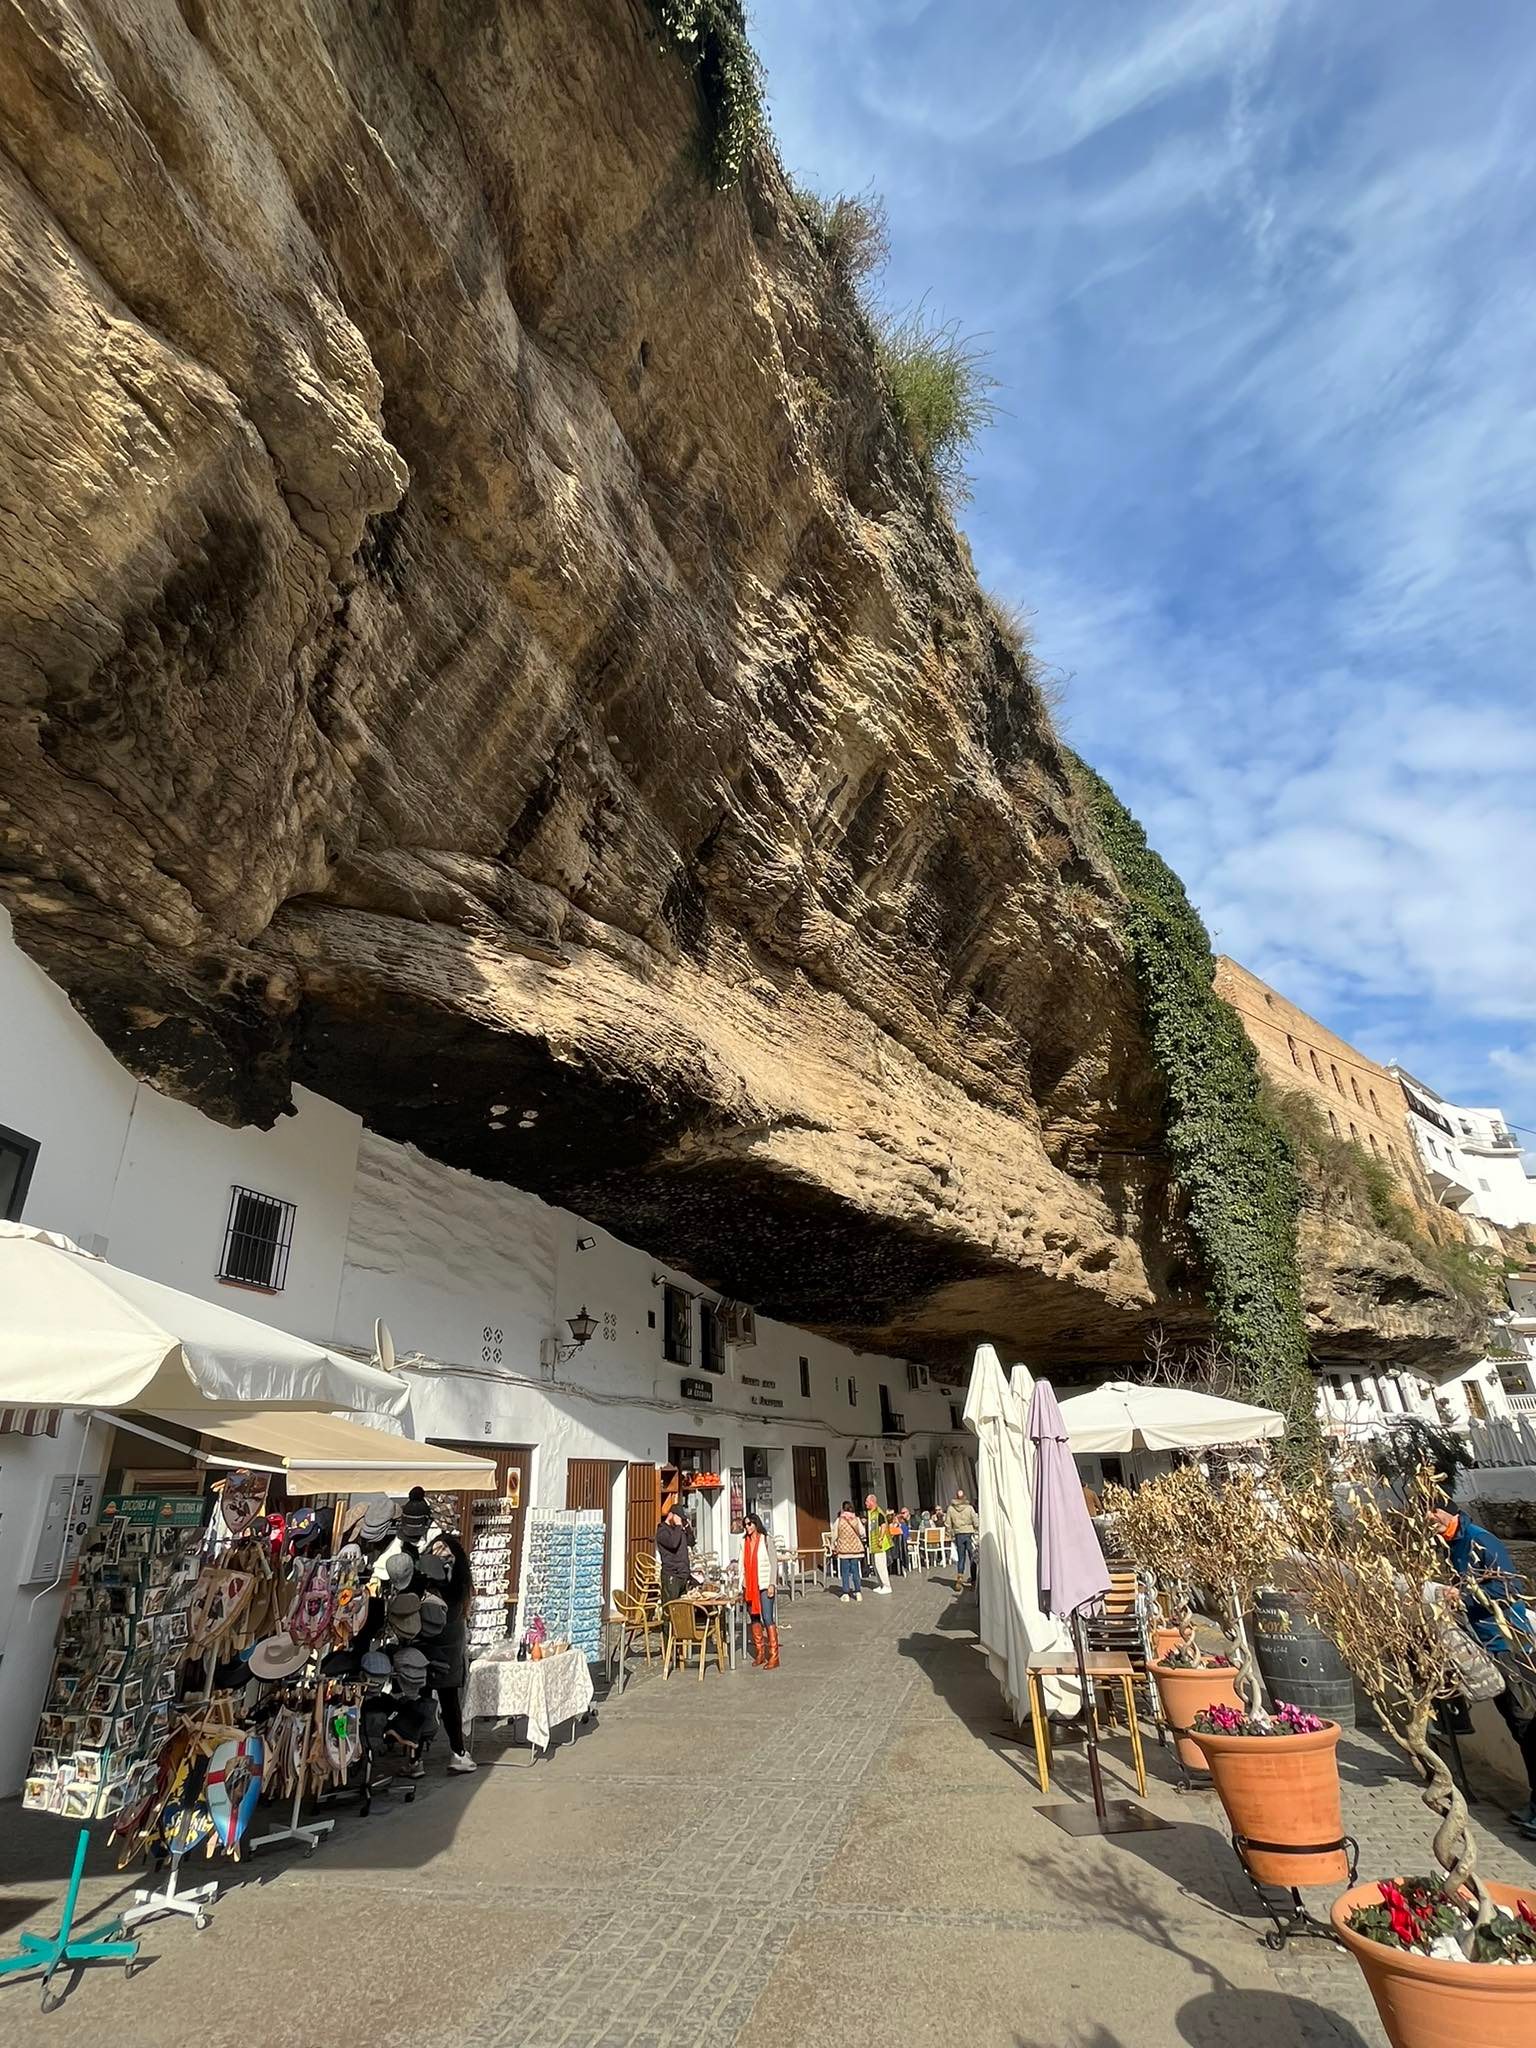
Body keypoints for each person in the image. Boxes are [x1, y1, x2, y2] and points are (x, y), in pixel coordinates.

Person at [1432, 1505, 1536, 1834]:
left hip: (1511, 1644)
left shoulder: (1482, 1542)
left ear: (1444, 1512)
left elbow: (1508, 1588)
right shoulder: (1451, 1545)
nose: (1427, 1523)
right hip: (1486, 1647)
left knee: (1527, 1724)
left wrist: (1460, 1595)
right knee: (1514, 1724)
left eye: (1430, 1515)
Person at [741, 1512, 780, 1668]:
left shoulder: (766, 1540)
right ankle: (760, 1653)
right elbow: (742, 1564)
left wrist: (772, 1584)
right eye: (745, 1525)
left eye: (750, 1524)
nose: (747, 1527)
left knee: (767, 1617)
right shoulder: (743, 1542)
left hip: (763, 1584)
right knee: (754, 1618)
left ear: (756, 1524)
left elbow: (773, 1562)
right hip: (750, 1585)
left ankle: (774, 1656)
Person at [945, 1490, 979, 1593]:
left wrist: (950, 1533)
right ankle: (973, 1581)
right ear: (964, 1497)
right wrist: (976, 1529)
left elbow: (947, 1523)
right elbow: (976, 1521)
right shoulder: (969, 1508)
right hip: (969, 1533)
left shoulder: (951, 1509)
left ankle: (959, 1578)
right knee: (972, 1557)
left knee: (961, 1558)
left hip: (958, 1534)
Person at [831, 1502, 866, 1602]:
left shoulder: (839, 1520)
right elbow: (862, 1532)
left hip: (844, 1550)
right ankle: (858, 1592)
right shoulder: (856, 1520)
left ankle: (846, 1593)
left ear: (843, 1509)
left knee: (845, 1572)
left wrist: (832, 1545)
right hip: (855, 1550)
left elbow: (834, 1534)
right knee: (855, 1571)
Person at [656, 1506, 692, 1603]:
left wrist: (687, 1526)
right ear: (671, 1515)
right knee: (671, 1608)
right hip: (672, 1575)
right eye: (679, 1518)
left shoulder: (679, 1530)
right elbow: (673, 1544)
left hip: (683, 1574)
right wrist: (678, 1525)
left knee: (682, 1609)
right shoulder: (662, 1531)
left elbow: (691, 1541)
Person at [865, 1494, 893, 1595]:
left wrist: (880, 1539)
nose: (865, 1504)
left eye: (867, 1502)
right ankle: (881, 1584)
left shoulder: (878, 1512)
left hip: (879, 1544)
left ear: (872, 1501)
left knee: (881, 1565)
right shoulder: (871, 1513)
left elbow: (883, 1526)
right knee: (876, 1565)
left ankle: (887, 1586)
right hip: (873, 1544)